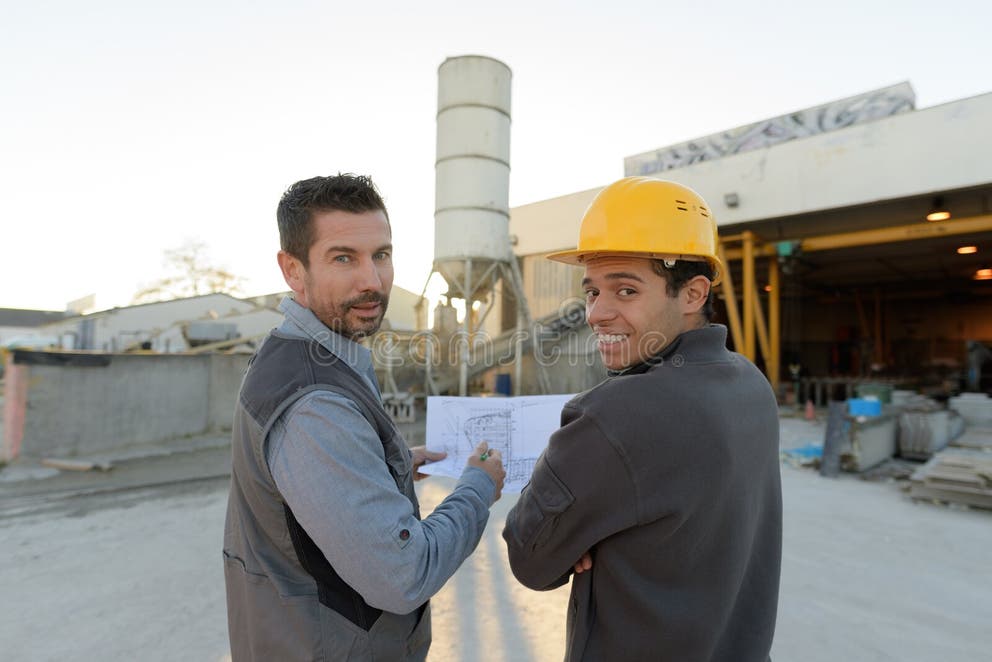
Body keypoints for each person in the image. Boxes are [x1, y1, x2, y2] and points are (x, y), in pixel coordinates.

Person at [223, 173, 506, 661]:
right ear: (292, 269)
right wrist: (477, 488)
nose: (372, 281)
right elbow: (404, 576)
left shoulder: (299, 351)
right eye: (343, 258)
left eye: (381, 255)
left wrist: (389, 467)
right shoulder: (315, 404)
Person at [502, 177, 782, 661]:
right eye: (592, 292)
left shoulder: (614, 414)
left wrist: (573, 538)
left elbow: (531, 559)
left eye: (625, 290)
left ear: (693, 294)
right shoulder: (751, 384)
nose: (596, 314)